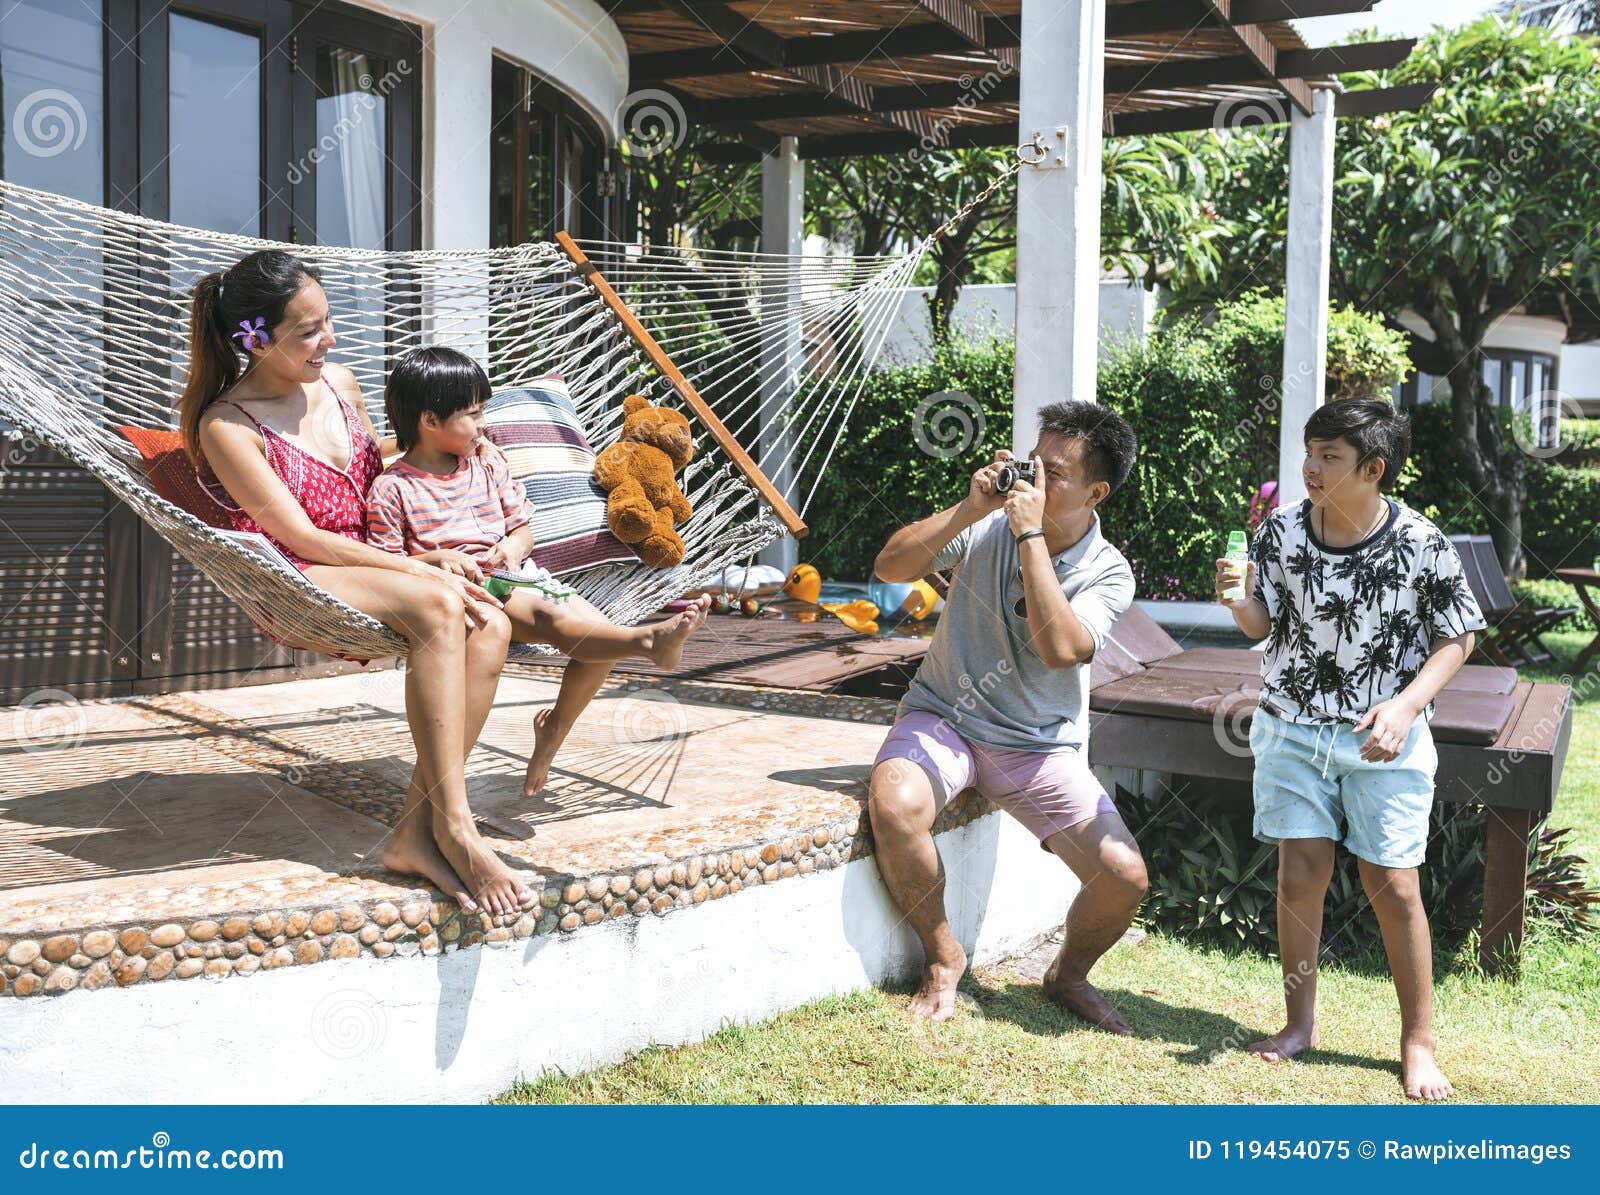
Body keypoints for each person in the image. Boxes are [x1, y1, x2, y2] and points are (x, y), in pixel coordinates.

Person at [181, 248, 533, 918]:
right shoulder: (228, 425)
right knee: (440, 599)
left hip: (372, 556)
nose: (330, 339)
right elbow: (304, 538)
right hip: (303, 579)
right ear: (255, 339)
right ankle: (457, 830)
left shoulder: (340, 382)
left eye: (328, 320)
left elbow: (382, 468)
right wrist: (424, 564)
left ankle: (412, 832)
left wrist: (466, 448)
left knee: (491, 619)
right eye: (307, 330)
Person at [1217, 397, 1485, 1102]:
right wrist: (1237, 602)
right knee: (1298, 874)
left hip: (1383, 735)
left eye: (1329, 456)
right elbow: (1260, 625)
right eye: (1309, 451)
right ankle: (1298, 1024)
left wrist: (1404, 705)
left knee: (1394, 885)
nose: (1310, 466)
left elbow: (1459, 634)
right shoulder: (1279, 532)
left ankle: (1417, 1043)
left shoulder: (1420, 541)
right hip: (1291, 727)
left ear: (1373, 468)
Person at [869, 401, 1146, 1029]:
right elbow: (888, 568)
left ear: (1096, 492)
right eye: (1032, 463)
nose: (1033, 482)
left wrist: (1029, 536)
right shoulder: (988, 523)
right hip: (945, 716)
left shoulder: (1108, 570)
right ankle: (943, 957)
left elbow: (1061, 651)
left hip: (1036, 747)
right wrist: (971, 509)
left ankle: (1067, 975)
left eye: (1055, 474)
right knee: (895, 804)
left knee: (1124, 876)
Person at [366, 346, 711, 796]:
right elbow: (385, 564)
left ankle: (553, 730)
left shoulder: (487, 462)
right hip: (467, 596)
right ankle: (647, 641)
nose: (484, 424)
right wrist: (437, 559)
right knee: (557, 622)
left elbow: (523, 529)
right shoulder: (393, 489)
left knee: (598, 639)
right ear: (430, 422)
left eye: (483, 410)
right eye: (472, 414)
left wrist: (511, 546)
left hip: (520, 575)